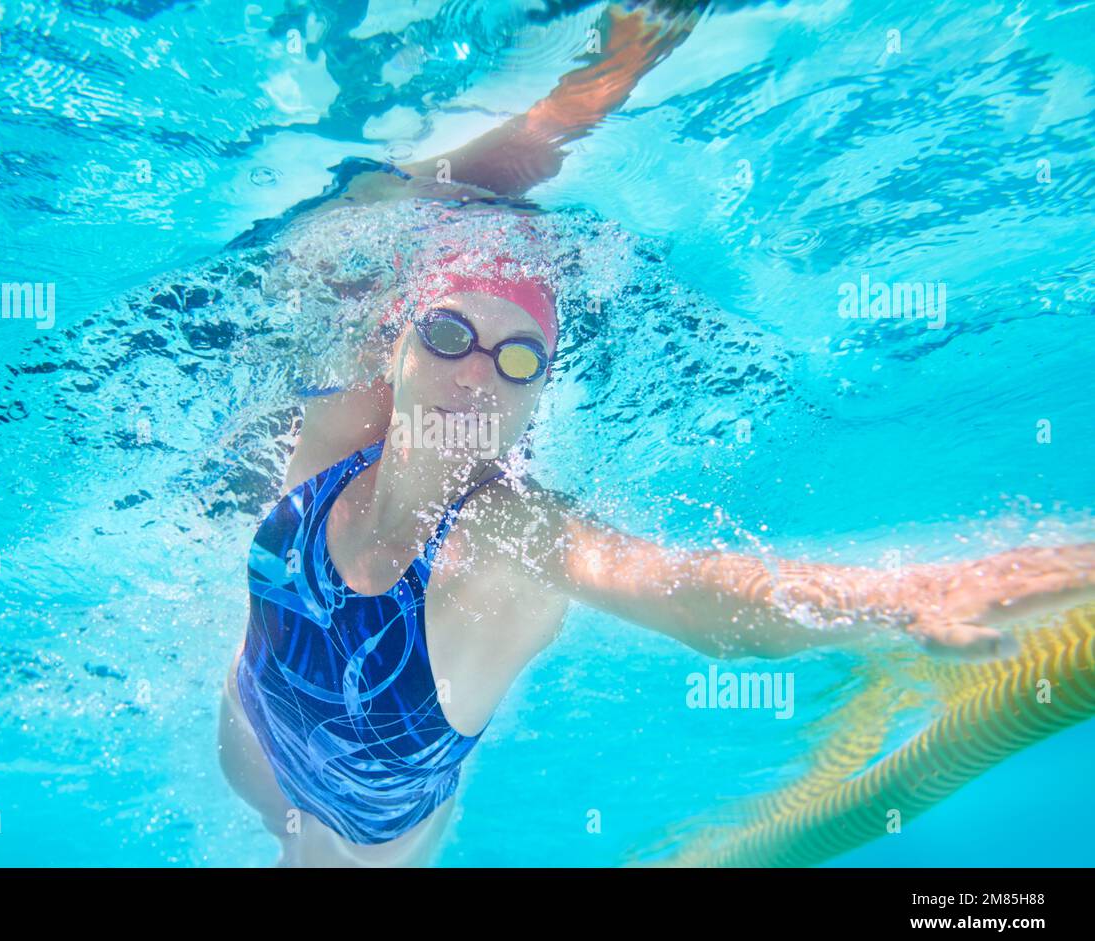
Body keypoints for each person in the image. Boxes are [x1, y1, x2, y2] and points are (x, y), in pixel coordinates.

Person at [217, 2, 1095, 867]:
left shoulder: (507, 536)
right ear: (397, 344)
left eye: (520, 358)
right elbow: (367, 219)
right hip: (248, 743)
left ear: (537, 397)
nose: (477, 373)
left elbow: (688, 593)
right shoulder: (342, 425)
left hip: (370, 845)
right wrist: (576, 101)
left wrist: (904, 599)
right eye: (450, 334)